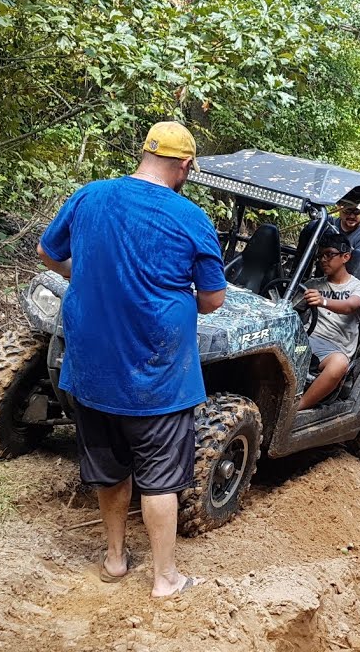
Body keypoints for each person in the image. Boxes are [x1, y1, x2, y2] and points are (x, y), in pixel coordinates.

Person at [36, 121, 226, 597]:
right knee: (160, 478)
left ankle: (115, 558)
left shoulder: (90, 196)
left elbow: (47, 251)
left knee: (110, 467)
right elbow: (213, 299)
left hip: (93, 370)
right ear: (184, 165)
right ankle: (165, 578)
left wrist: (84, 275)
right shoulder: (190, 217)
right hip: (157, 374)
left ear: (144, 153)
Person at [297, 232, 360, 410]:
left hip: (334, 349)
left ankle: (298, 407)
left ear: (346, 257)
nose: (323, 260)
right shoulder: (313, 284)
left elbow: (351, 306)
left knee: (339, 364)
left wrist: (323, 301)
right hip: (303, 344)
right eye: (320, 255)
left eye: (329, 254)